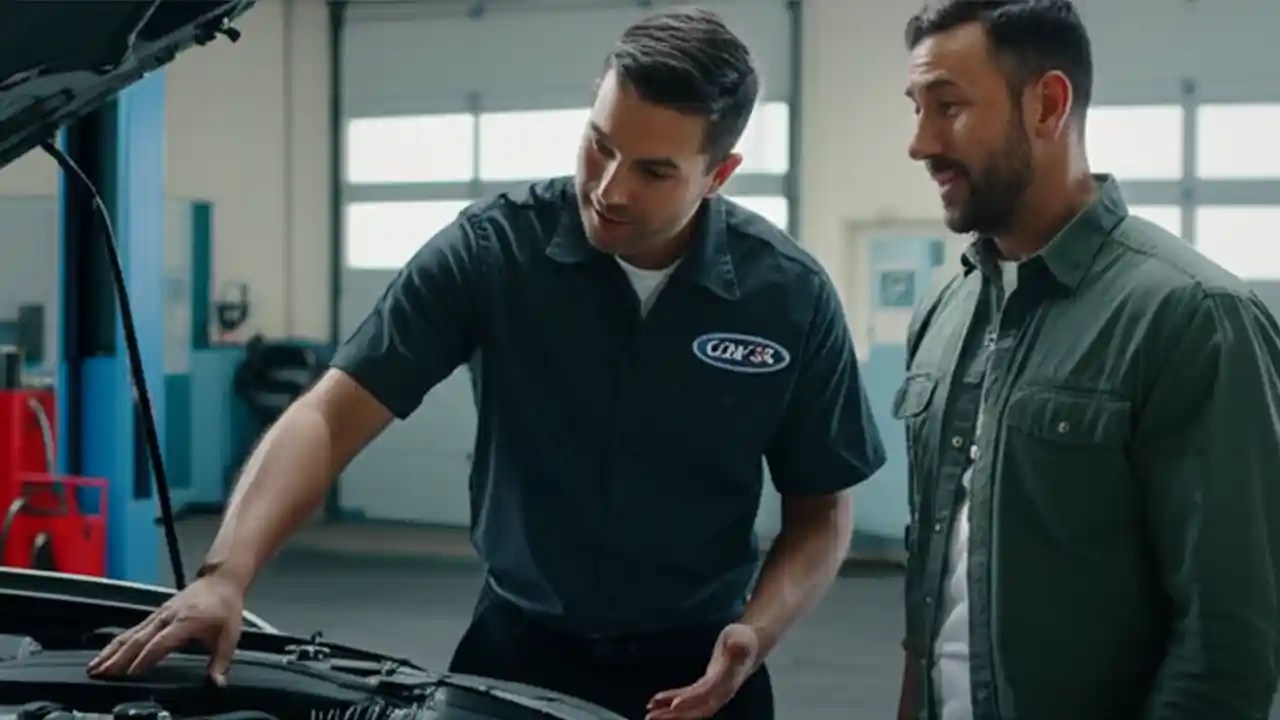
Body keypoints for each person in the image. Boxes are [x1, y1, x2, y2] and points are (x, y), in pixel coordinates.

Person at [87, 7, 887, 719]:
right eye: (598, 145)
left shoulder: (788, 298)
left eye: (653, 171)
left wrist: (759, 629)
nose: (607, 188)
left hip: (707, 664)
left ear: (718, 176)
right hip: (516, 651)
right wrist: (227, 574)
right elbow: (332, 414)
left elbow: (820, 512)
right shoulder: (493, 252)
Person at [894, 1, 1280, 719]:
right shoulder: (944, 312)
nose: (919, 143)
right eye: (916, 108)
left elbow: (1228, 643)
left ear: (1047, 104)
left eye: (947, 107)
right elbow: (935, 595)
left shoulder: (1193, 318)